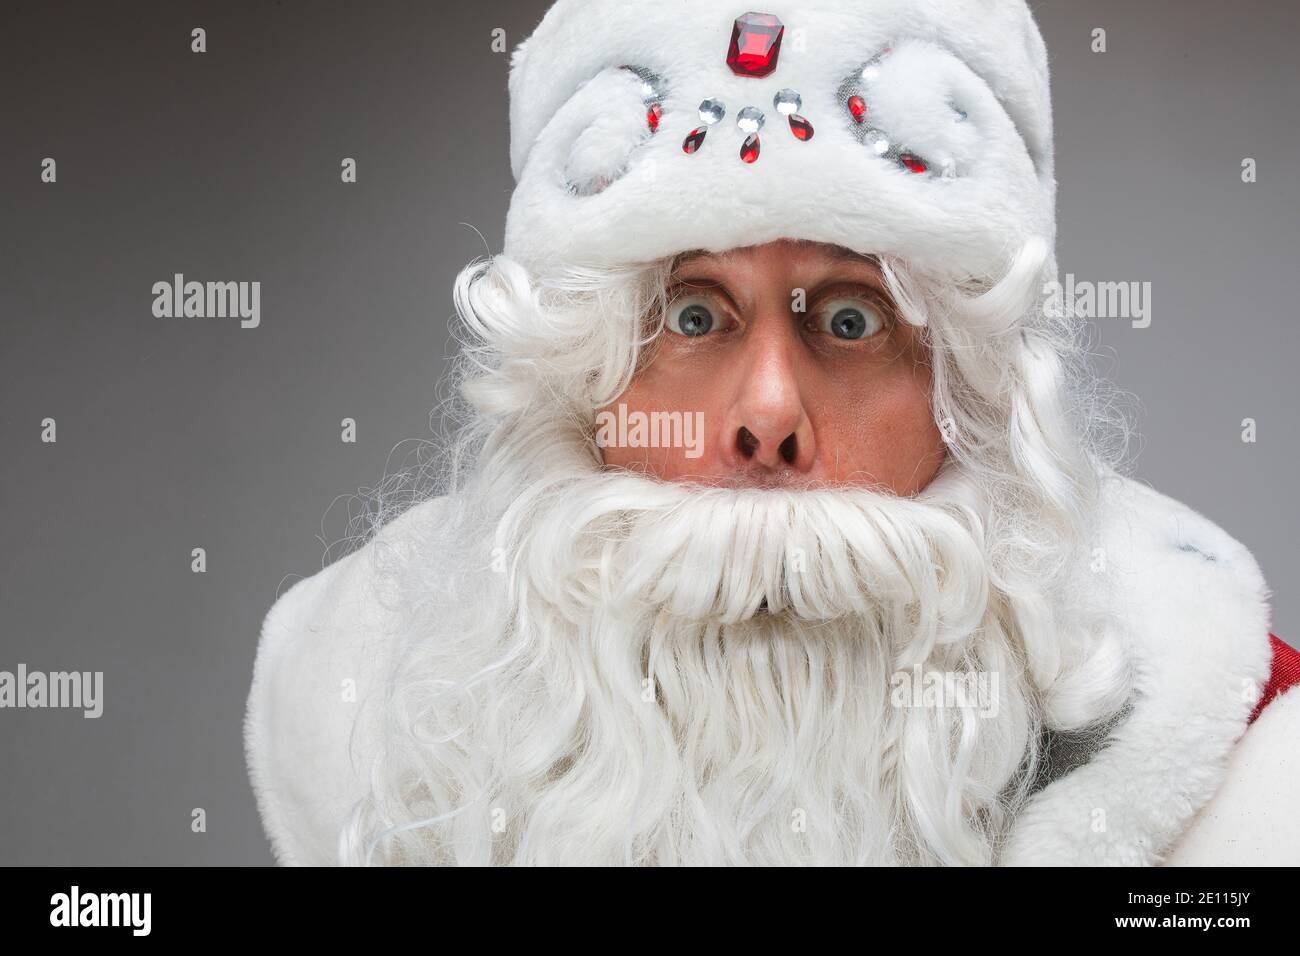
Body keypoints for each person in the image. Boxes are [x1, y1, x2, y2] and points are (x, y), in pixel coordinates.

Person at [243, 0, 1300, 866]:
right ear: (577, 375)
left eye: (851, 319)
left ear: (975, 394)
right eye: (693, 315)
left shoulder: (1243, 773)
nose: (766, 418)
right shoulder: (356, 715)